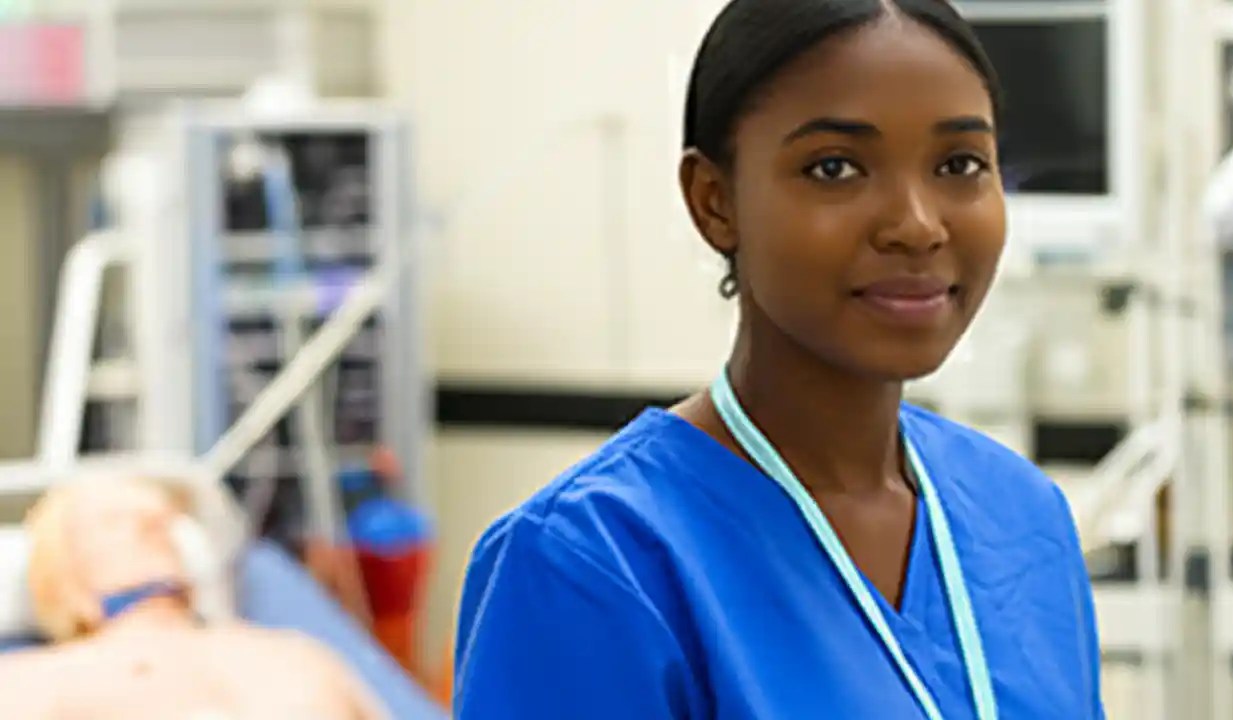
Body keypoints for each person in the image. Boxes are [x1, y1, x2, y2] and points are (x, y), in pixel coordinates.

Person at [454, 0, 1105, 717]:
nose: (918, 225)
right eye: (835, 168)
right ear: (714, 202)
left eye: (959, 163)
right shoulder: (594, 562)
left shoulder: (1021, 514)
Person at [0, 478, 387, 720]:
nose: (151, 520)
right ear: (63, 582)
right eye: (113, 521)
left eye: (162, 516)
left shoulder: (301, 655)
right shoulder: (30, 681)